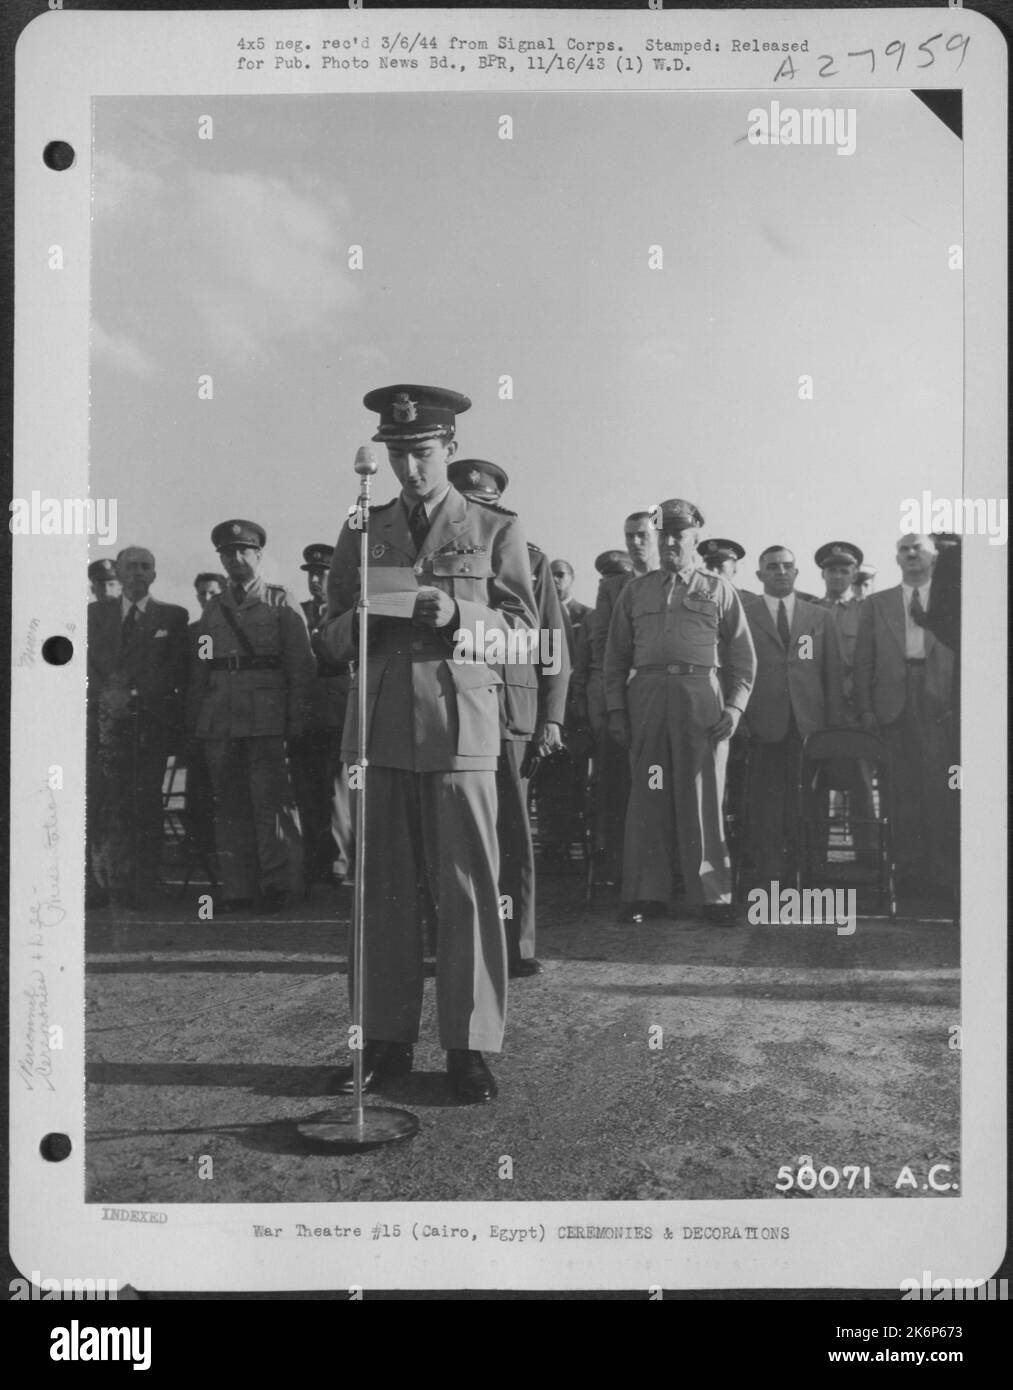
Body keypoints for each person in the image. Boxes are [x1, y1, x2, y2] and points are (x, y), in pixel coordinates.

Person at [322, 386, 538, 1103]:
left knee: (467, 891)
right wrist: (363, 617)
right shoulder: (364, 526)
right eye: (396, 453)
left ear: (448, 449)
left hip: (460, 726)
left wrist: (458, 612)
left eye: (421, 452)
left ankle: (468, 1046)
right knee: (380, 892)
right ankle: (381, 1042)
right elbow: (326, 636)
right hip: (382, 727)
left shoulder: (491, 526)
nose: (408, 467)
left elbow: (523, 636)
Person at [604, 499, 755, 926]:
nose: (670, 542)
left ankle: (714, 897)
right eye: (664, 534)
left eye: (679, 535)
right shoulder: (636, 591)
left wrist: (735, 705)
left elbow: (743, 657)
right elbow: (615, 657)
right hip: (648, 698)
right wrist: (617, 709)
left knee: (703, 794)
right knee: (650, 792)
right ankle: (646, 894)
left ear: (695, 539)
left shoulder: (718, 589)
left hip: (700, 698)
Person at [446, 457, 567, 979]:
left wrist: (553, 720)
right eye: (467, 503)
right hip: (449, 705)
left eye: (486, 504)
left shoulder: (531, 560)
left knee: (512, 834)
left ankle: (516, 945)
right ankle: (457, 941)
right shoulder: (431, 559)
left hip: (510, 711)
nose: (476, 512)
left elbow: (552, 646)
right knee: (453, 831)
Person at [186, 520, 314, 914]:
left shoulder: (280, 601)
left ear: (259, 555)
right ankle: (238, 887)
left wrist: (297, 719)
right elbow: (201, 665)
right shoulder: (213, 607)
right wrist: (195, 719)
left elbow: (301, 666)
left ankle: (279, 885)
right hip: (220, 715)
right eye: (228, 553)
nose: (236, 559)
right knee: (228, 804)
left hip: (266, 715)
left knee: (271, 802)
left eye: (244, 551)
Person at [853, 534, 957, 900]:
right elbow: (863, 661)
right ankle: (908, 875)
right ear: (896, 559)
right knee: (900, 790)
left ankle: (943, 876)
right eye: (904, 549)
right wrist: (866, 708)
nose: (911, 554)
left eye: (919, 548)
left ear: (933, 558)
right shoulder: (876, 604)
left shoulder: (953, 599)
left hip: (939, 705)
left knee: (940, 789)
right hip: (892, 703)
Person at [87, 547, 189, 907]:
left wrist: (134, 695)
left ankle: (144, 884)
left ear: (155, 574)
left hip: (148, 726)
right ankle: (99, 883)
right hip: (102, 726)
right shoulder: (94, 615)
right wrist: (107, 695)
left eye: (146, 566)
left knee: (145, 804)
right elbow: (86, 665)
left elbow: (176, 670)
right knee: (100, 801)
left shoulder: (173, 617)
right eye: (131, 567)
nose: (138, 573)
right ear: (118, 571)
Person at [741, 546, 844, 885]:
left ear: (797, 573)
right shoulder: (744, 613)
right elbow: (735, 669)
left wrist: (832, 727)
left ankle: (812, 870)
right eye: (772, 567)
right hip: (762, 723)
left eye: (787, 566)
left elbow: (831, 675)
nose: (780, 572)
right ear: (760, 575)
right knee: (765, 803)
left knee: (810, 801)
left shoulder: (819, 617)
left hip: (808, 724)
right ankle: (770, 872)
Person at [289, 543, 353, 887]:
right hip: (305, 712)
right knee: (306, 790)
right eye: (312, 574)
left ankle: (340, 862)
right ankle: (314, 860)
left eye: (323, 574)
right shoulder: (297, 611)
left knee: (337, 791)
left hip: (338, 711)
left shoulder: (348, 612)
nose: (316, 580)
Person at [812, 541, 875, 866]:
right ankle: (815, 863)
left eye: (844, 570)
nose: (837, 576)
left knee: (862, 787)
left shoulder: (868, 611)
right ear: (822, 573)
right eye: (831, 570)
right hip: (817, 713)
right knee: (814, 788)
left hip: (854, 712)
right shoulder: (810, 610)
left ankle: (867, 863)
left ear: (854, 573)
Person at [582, 550, 634, 885]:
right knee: (614, 788)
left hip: (652, 699)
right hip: (612, 707)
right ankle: (614, 865)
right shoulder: (601, 605)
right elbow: (594, 659)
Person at [181, 572, 228, 879]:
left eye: (213, 593)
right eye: (202, 594)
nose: (206, 599)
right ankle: (202, 853)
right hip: (201, 722)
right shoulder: (194, 631)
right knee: (197, 794)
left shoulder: (228, 629)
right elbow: (192, 681)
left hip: (228, 721)